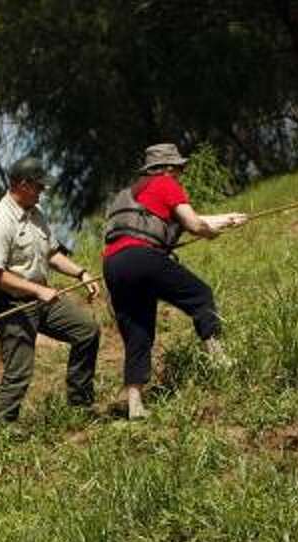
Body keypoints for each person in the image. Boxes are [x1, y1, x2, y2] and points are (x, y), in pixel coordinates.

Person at [101, 143, 248, 419]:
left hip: (113, 265)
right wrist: (206, 232)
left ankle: (135, 404)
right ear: (166, 168)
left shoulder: (129, 193)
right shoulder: (165, 183)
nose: (180, 173)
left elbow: (188, 220)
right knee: (200, 295)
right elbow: (194, 224)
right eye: (179, 168)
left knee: (138, 331)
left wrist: (228, 219)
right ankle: (218, 359)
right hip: (143, 257)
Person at [0, 156, 101, 424]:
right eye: (38, 186)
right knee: (20, 370)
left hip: (41, 298)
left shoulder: (37, 214)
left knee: (87, 331)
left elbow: (52, 254)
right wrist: (37, 291)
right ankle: (1, 432)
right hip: (10, 304)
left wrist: (80, 272)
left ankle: (80, 407)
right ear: (22, 185)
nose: (42, 191)